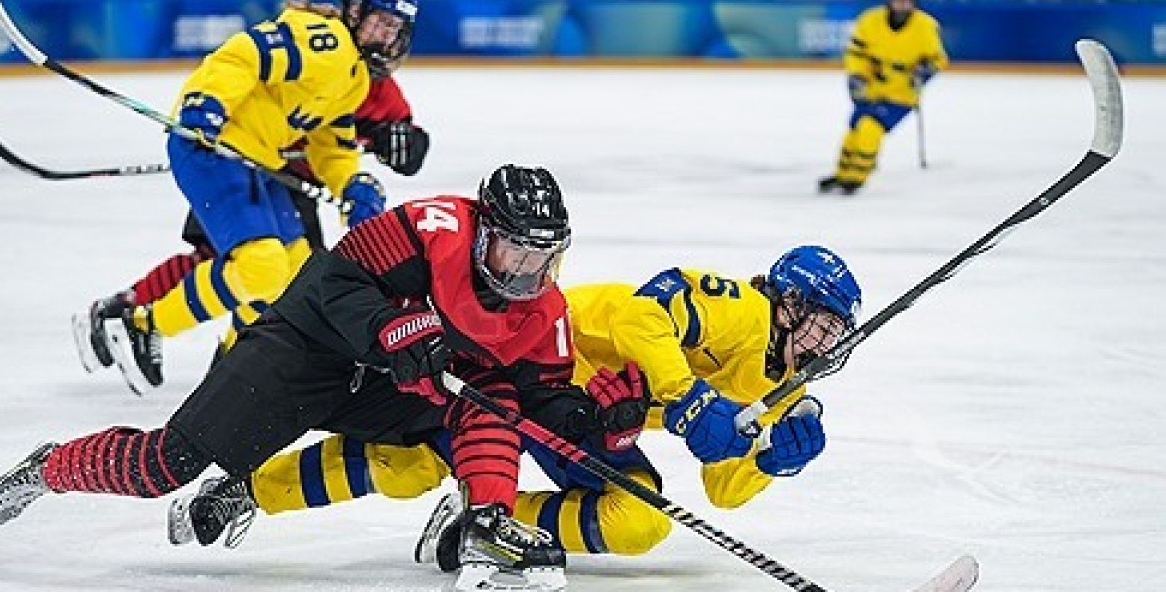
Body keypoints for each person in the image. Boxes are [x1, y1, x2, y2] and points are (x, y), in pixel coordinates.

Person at [0, 164, 583, 592]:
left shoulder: (544, 311)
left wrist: (582, 418)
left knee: (491, 400)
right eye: (515, 253)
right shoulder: (428, 228)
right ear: (483, 232)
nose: (528, 272)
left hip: (380, 386)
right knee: (164, 465)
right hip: (300, 352)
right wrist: (395, 331)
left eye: (542, 257)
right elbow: (333, 280)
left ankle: (486, 522)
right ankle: (51, 466)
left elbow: (538, 396)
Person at [162, 246, 861, 572]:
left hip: (596, 418)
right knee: (406, 466)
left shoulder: (786, 384)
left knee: (642, 521)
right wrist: (688, 396)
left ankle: (484, 517)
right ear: (790, 302)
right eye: (824, 324)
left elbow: (722, 486)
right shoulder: (739, 308)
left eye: (837, 335)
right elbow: (651, 310)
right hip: (537, 365)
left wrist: (770, 459)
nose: (828, 343)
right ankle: (247, 488)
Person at [66, 0, 419, 395]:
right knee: (259, 265)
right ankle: (141, 324)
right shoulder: (323, 41)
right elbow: (244, 55)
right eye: (381, 22)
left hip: (259, 164)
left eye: (394, 27)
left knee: (295, 276)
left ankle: (235, 367)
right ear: (356, 10)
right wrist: (203, 103)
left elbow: (330, 144)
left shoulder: (354, 78)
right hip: (216, 150)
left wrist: (351, 185)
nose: (387, 36)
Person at [819, 0, 948, 195]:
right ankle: (842, 173)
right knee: (854, 131)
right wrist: (856, 76)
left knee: (871, 128)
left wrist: (925, 71)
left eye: (907, 0)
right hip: (871, 89)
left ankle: (857, 176)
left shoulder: (926, 26)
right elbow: (856, 53)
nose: (902, 5)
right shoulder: (869, 21)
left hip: (901, 95)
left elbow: (937, 59)